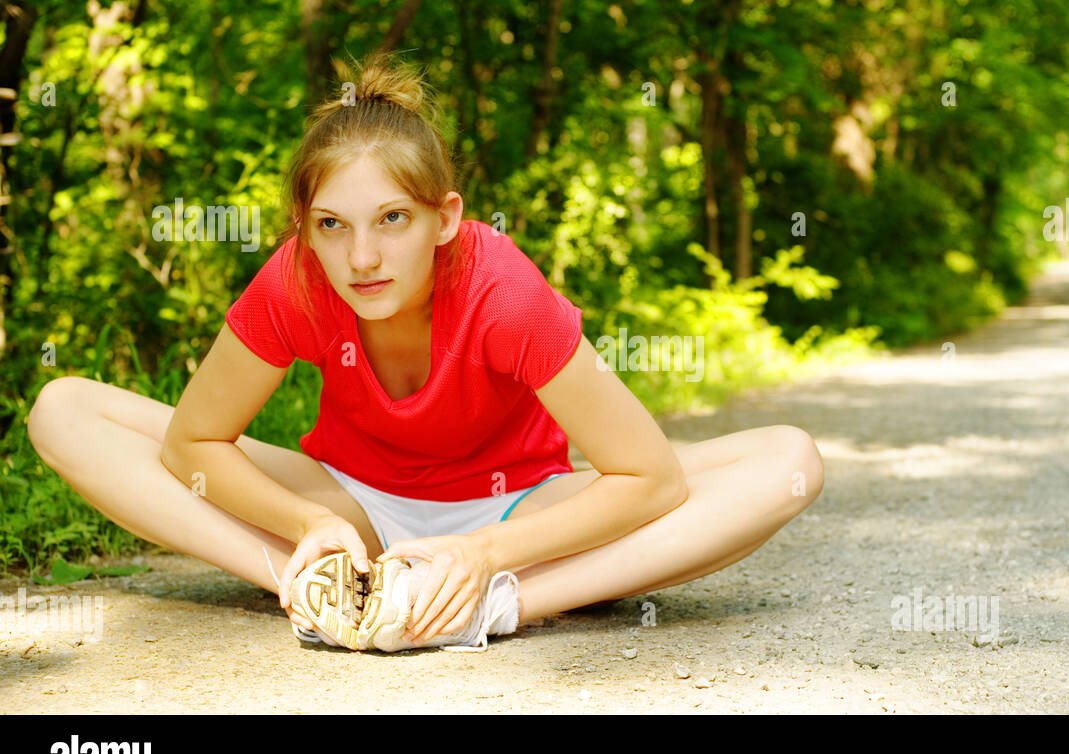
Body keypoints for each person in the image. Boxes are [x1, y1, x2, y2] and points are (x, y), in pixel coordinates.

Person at [25, 52, 825, 652]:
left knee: (790, 458)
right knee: (63, 409)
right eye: (332, 224)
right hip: (353, 504)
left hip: (514, 509)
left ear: (445, 218)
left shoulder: (502, 290)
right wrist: (307, 525)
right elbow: (190, 441)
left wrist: (482, 554)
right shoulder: (299, 280)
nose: (361, 257)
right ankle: (321, 592)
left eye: (392, 220)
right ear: (305, 228)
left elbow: (651, 479)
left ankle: (491, 605)